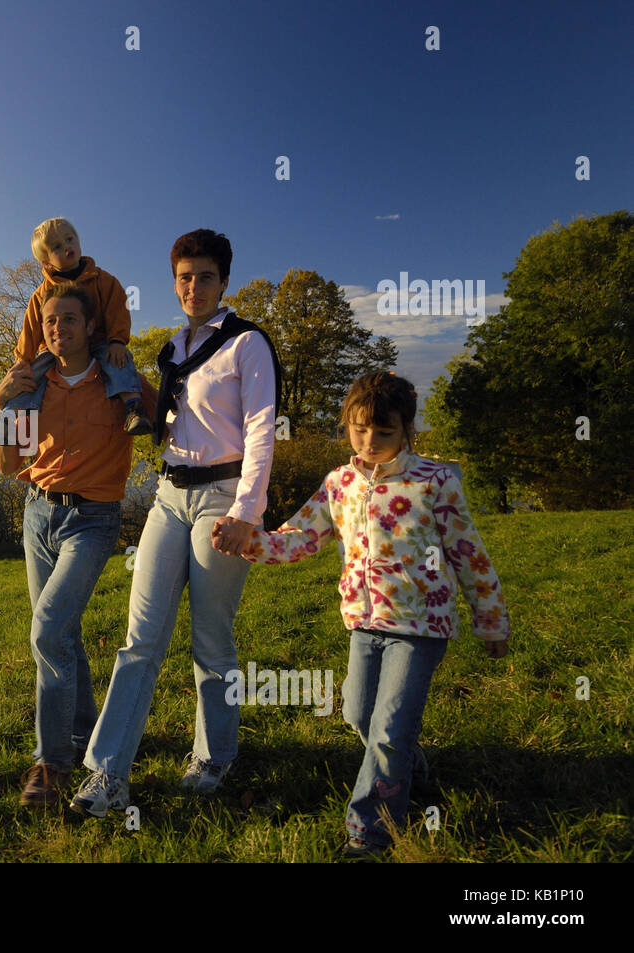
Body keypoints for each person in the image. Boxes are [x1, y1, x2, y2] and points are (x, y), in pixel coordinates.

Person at [225, 371, 510, 855]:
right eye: (360, 429)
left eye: (384, 431)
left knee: (389, 730)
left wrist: (491, 620)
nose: (371, 440)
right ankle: (408, 767)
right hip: (363, 625)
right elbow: (302, 537)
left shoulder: (435, 480)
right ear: (348, 426)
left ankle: (369, 833)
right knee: (360, 715)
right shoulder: (341, 483)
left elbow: (467, 551)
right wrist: (250, 539)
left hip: (422, 625)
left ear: (406, 430)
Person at [70, 228, 280, 817]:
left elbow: (262, 431)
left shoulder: (247, 345)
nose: (194, 287)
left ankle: (214, 754)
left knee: (211, 637)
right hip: (167, 496)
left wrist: (247, 512)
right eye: (184, 277)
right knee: (141, 637)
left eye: (205, 276)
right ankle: (106, 775)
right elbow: (161, 421)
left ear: (224, 281)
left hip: (222, 497)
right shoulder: (171, 350)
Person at [0, 280, 153, 807]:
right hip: (37, 514)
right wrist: (0, 403)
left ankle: (52, 761)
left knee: (47, 629)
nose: (58, 328)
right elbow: (6, 464)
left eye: (69, 319)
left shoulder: (118, 379)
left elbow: (168, 420)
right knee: (64, 634)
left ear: (89, 327)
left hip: (93, 519)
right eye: (50, 321)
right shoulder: (33, 386)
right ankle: (84, 730)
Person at [1, 218, 152, 436]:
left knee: (119, 361)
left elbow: (117, 309)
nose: (66, 247)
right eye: (57, 247)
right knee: (29, 376)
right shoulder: (41, 294)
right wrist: (23, 359)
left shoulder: (103, 280)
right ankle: (9, 417)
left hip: (99, 341)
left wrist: (117, 340)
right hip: (55, 351)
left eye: (70, 239)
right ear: (46, 262)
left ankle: (134, 408)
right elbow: (31, 327)